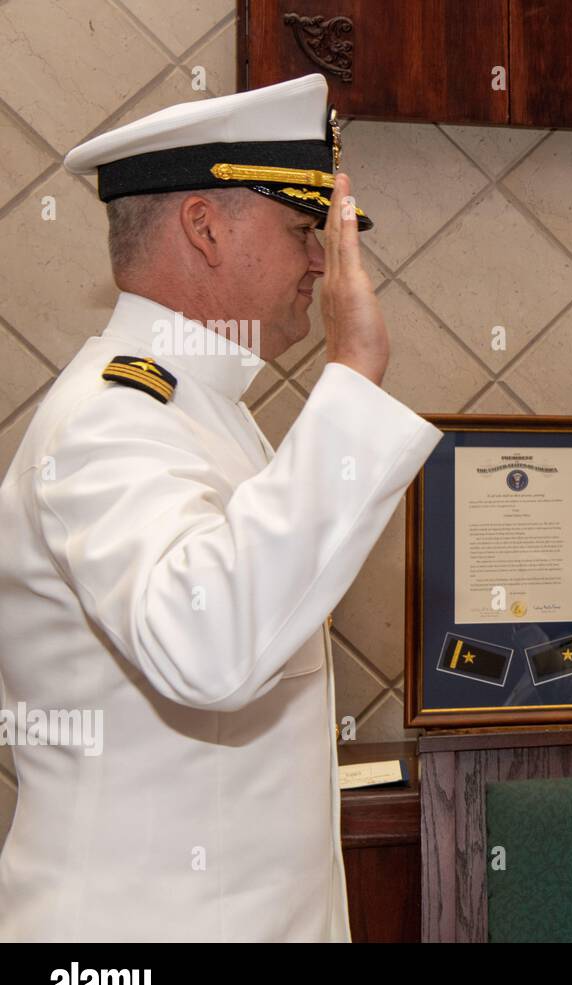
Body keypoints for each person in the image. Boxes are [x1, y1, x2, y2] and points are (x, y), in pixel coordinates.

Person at [0, 74, 440, 940]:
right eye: (300, 230)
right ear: (203, 228)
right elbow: (206, 647)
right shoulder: (111, 417)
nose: (322, 262)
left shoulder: (206, 412)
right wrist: (351, 376)